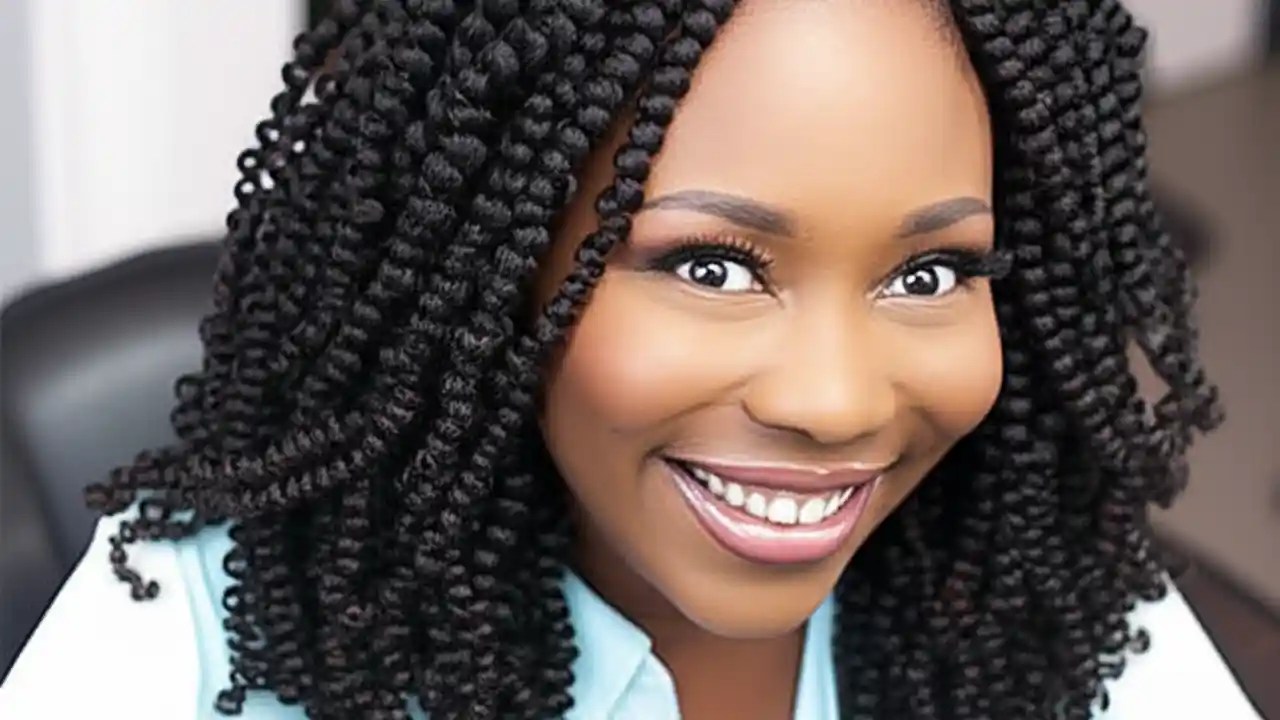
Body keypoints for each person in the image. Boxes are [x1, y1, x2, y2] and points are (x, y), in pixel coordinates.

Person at [0, 1, 1261, 718]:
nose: (833, 401)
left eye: (926, 276)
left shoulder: (1062, 610)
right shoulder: (178, 645)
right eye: (709, 265)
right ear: (489, 264)